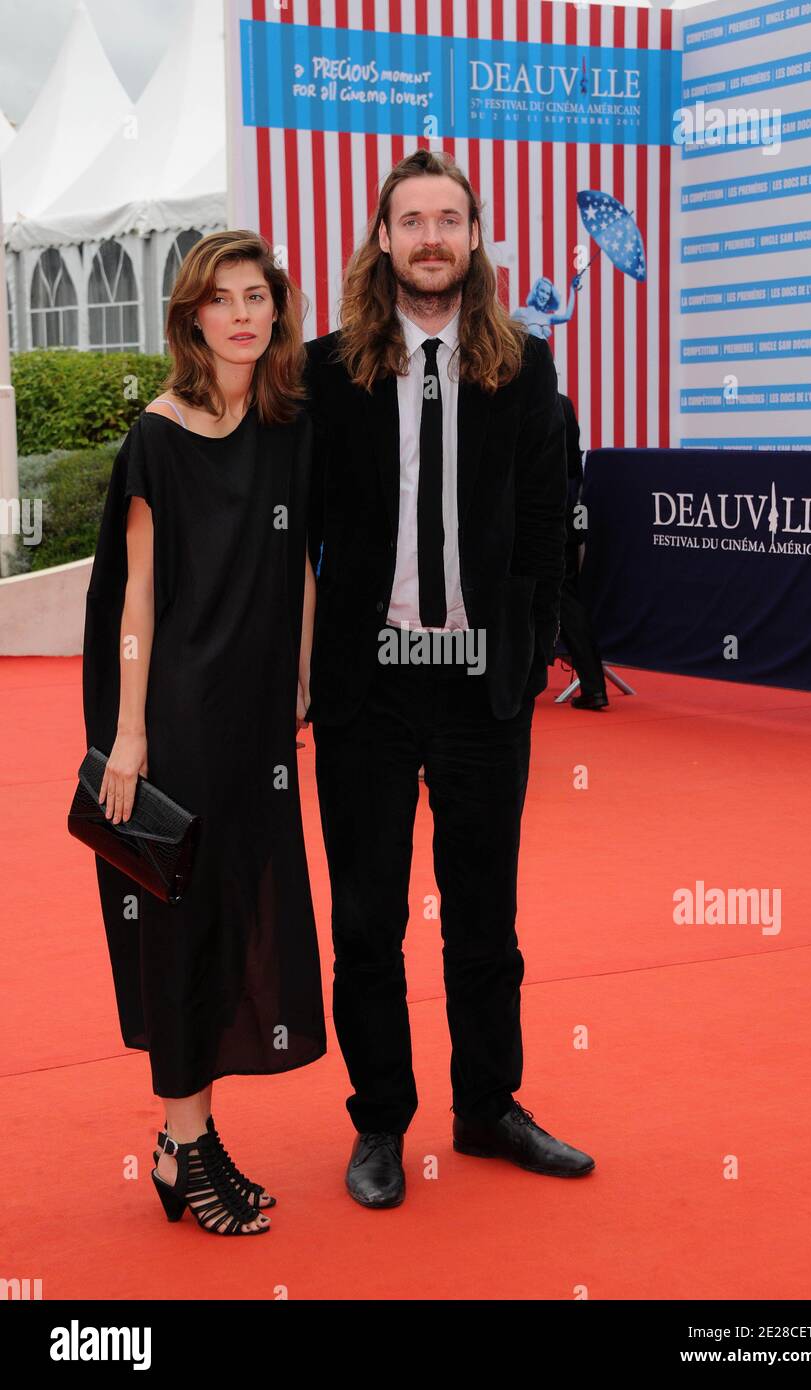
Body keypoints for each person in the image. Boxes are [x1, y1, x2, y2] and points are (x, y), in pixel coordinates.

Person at [303, 149, 595, 1209]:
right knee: (368, 919)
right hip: (368, 689)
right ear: (381, 239)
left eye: (449, 219)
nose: (430, 237)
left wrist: (519, 658)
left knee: (485, 916)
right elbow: (296, 525)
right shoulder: (328, 372)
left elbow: (541, 529)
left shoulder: (523, 366)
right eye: (411, 219)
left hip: (479, 689)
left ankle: (487, 1108)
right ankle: (380, 1120)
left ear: (473, 238)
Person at [82, 231, 327, 1236]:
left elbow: (302, 562)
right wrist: (129, 736)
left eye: (257, 296)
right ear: (191, 317)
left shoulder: (287, 421)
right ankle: (183, 1146)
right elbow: (136, 599)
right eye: (221, 298)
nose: (242, 313)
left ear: (276, 310)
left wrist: (304, 678)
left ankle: (192, 1139)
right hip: (174, 714)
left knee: (234, 911)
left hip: (258, 716)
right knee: (178, 921)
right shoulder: (158, 431)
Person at [557, 392, 609, 710]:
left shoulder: (507, 400)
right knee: (567, 601)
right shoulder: (562, 404)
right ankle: (594, 686)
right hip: (563, 516)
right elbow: (575, 467)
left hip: (523, 520)